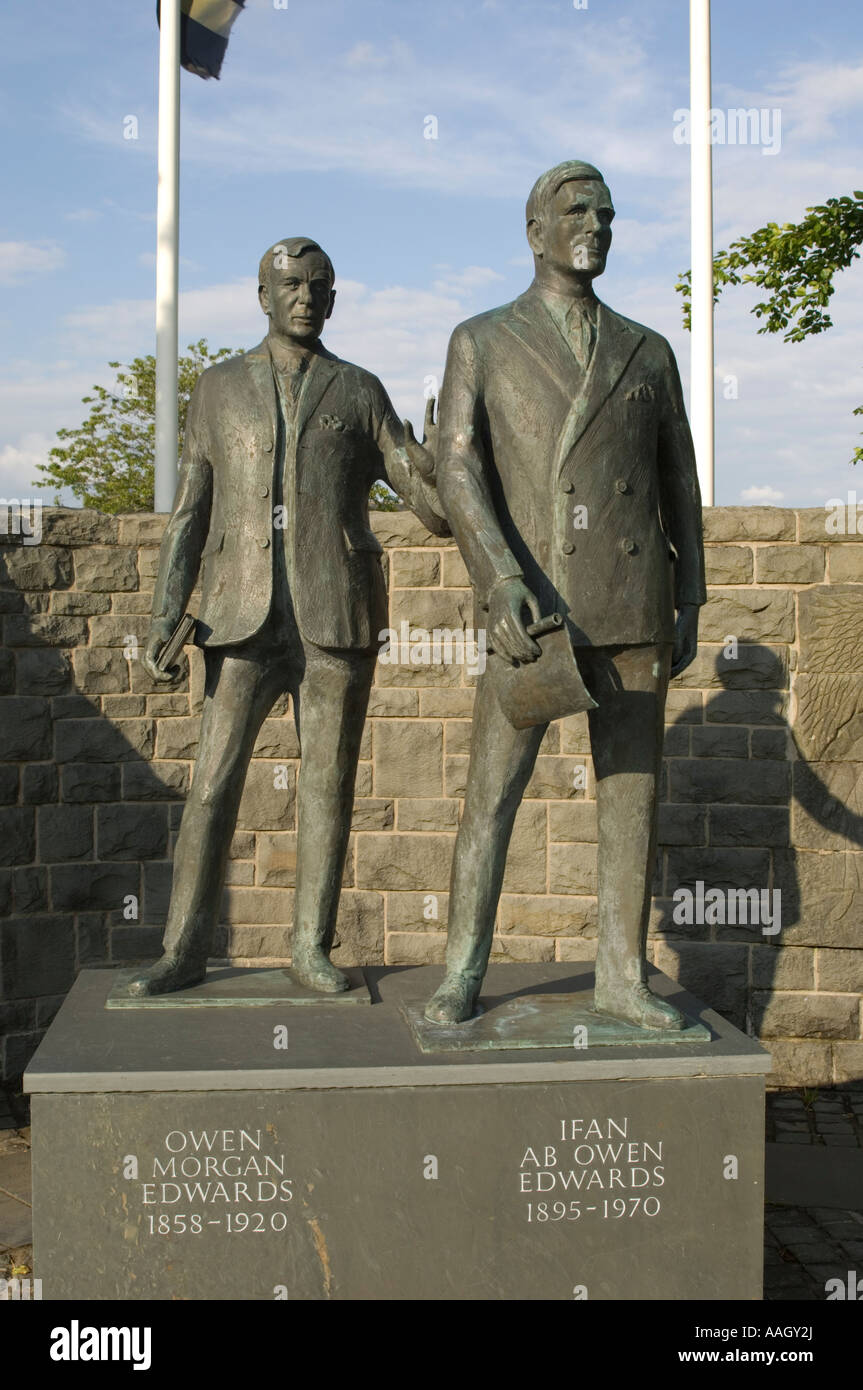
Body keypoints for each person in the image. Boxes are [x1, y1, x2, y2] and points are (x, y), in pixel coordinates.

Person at [124, 236, 446, 998]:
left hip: (334, 613)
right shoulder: (216, 389)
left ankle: (311, 947)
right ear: (263, 296)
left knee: (328, 784)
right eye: (290, 285)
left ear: (333, 300)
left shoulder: (359, 391)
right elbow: (189, 511)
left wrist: (443, 464)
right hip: (239, 616)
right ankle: (183, 950)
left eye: (318, 286)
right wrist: (169, 609)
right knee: (211, 786)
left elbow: (426, 507)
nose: (304, 297)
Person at [425, 161, 705, 1030]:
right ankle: (462, 969)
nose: (595, 223)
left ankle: (620, 976)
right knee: (492, 794)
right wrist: (499, 575)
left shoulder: (646, 348)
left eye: (607, 213)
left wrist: (689, 595)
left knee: (630, 793)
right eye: (575, 208)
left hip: (630, 599)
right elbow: (457, 467)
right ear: (534, 229)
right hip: (534, 606)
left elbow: (677, 479)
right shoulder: (482, 338)